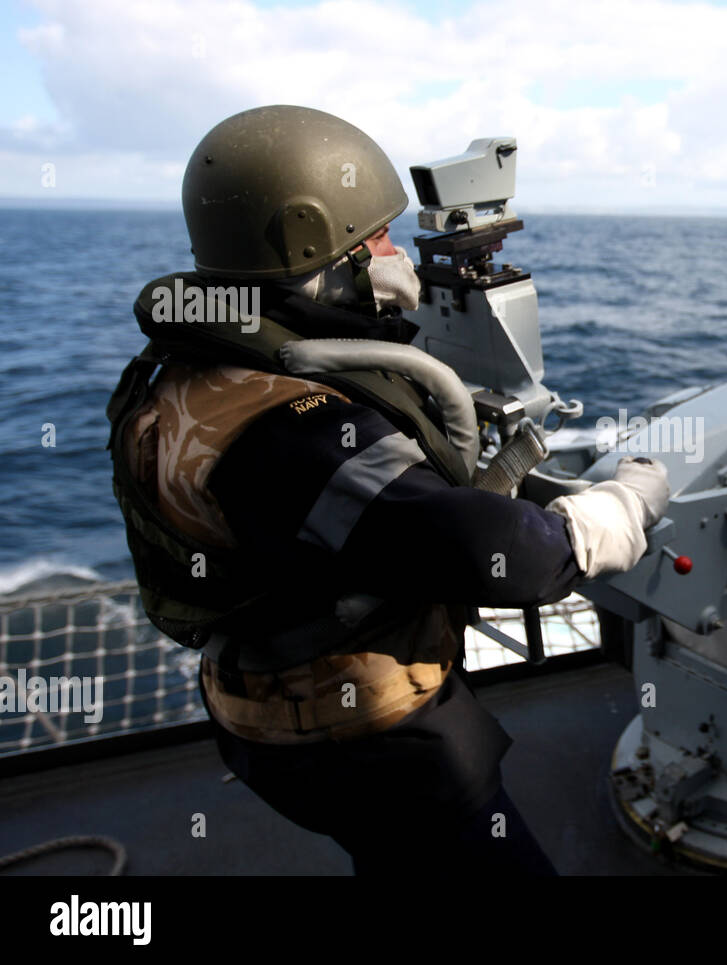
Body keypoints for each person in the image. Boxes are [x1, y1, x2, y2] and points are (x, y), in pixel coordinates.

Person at [105, 105, 669, 876]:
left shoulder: (185, 369)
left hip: (258, 710)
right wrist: (616, 509)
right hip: (364, 739)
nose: (395, 251)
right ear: (315, 244)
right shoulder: (285, 432)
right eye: (375, 239)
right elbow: (498, 553)